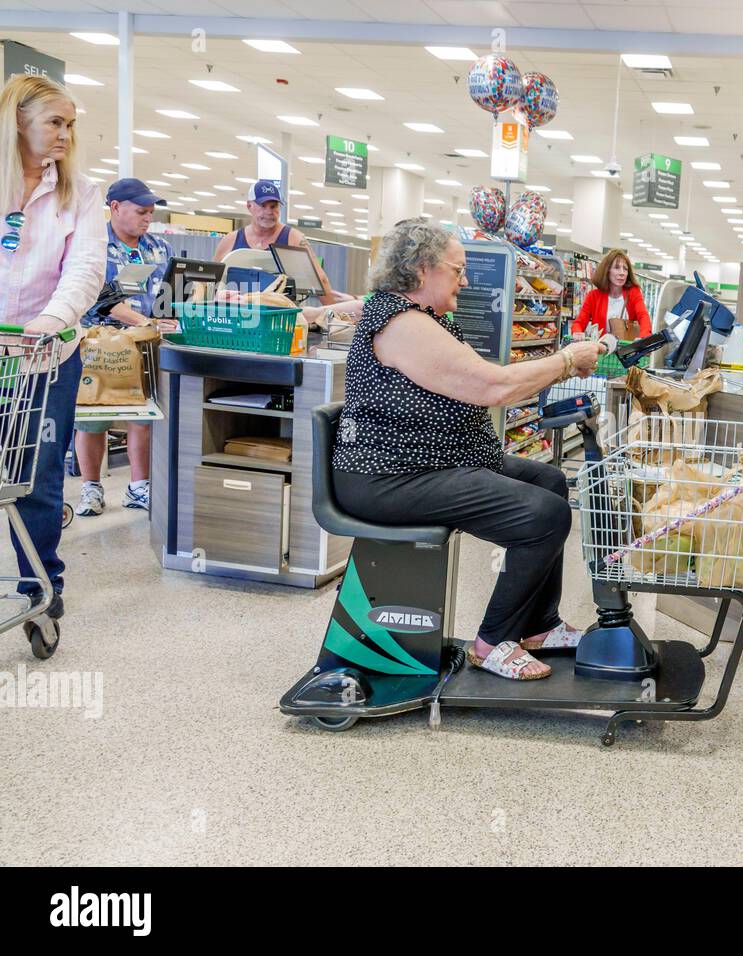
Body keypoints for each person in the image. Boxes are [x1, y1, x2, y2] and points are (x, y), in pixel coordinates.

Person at [332, 219, 603, 680]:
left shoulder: (413, 316)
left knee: (551, 481)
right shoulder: (402, 325)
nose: (466, 279)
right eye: (457, 269)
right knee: (545, 516)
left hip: (430, 459)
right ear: (422, 270)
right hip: (392, 475)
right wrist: (565, 361)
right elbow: (490, 386)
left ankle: (538, 625)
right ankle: (492, 642)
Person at [0, 75, 107, 620]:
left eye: (70, 125)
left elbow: (86, 268)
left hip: (45, 355)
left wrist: (50, 320)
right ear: (18, 121)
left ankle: (39, 582)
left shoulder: (81, 193)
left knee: (34, 473)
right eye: (55, 123)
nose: (66, 134)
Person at [73, 178, 176, 517]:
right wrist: (141, 321)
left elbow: (168, 293)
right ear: (115, 207)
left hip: (145, 345)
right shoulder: (94, 246)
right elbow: (99, 299)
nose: (147, 218)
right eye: (141, 211)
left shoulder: (159, 248)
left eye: (151, 213)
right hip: (99, 344)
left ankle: (138, 487)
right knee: (93, 419)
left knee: (143, 417)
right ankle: (91, 488)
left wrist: (171, 316)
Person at [213, 179, 355, 306]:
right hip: (238, 317)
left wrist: (330, 315)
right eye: (263, 205)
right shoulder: (231, 240)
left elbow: (319, 280)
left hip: (281, 320)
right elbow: (211, 281)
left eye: (273, 206)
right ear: (249, 206)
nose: (269, 212)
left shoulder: (293, 238)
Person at [571, 248, 651, 340]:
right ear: (607, 270)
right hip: (601, 350)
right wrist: (577, 332)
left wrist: (644, 337)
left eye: (625, 269)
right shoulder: (594, 296)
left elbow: (643, 316)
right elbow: (579, 322)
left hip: (627, 350)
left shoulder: (633, 292)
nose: (622, 273)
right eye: (617, 268)